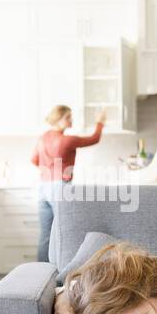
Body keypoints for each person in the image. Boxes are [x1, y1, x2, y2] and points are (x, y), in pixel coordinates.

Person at [31, 105, 106, 263]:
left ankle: (42, 273)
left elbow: (34, 160)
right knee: (64, 232)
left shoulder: (42, 138)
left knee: (46, 235)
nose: (71, 120)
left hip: (43, 188)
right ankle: (63, 273)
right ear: (58, 119)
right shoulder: (67, 140)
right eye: (67, 117)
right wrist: (100, 122)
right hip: (60, 187)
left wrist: (49, 169)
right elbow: (94, 138)